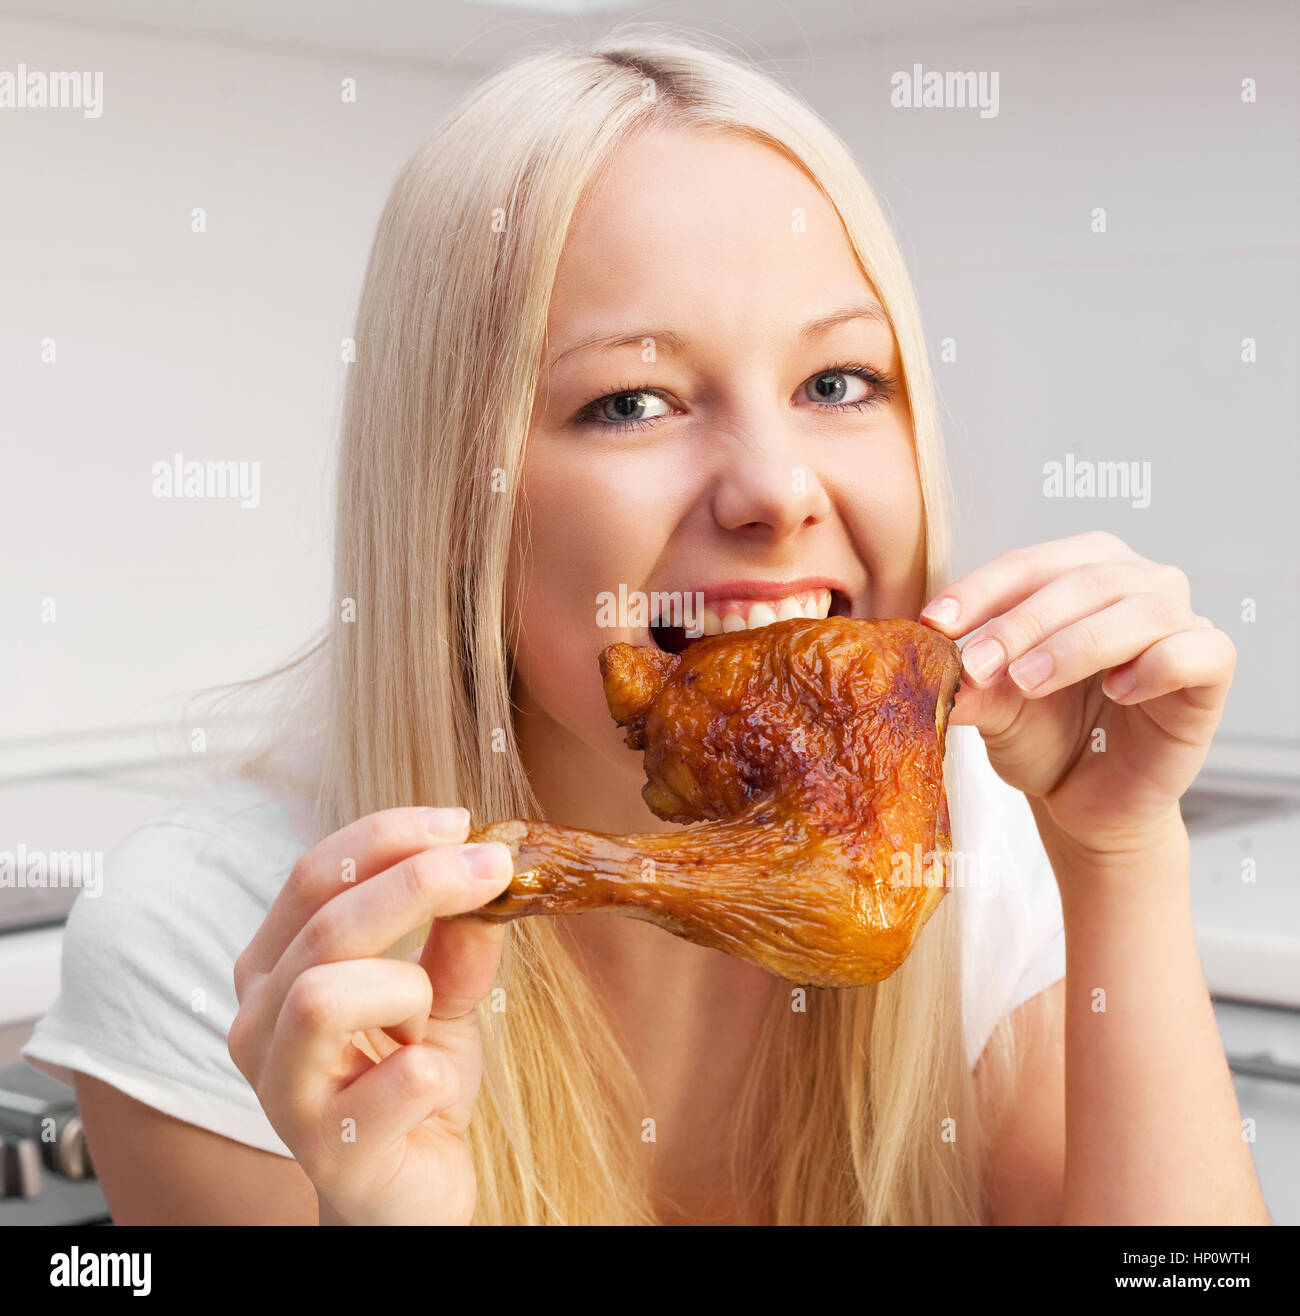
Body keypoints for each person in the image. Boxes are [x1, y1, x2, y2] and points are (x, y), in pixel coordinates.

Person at [22, 29, 1270, 1226]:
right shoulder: (222, 936)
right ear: (457, 501)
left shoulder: (983, 850)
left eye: (837, 382)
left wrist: (1119, 854)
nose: (776, 489)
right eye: (632, 399)